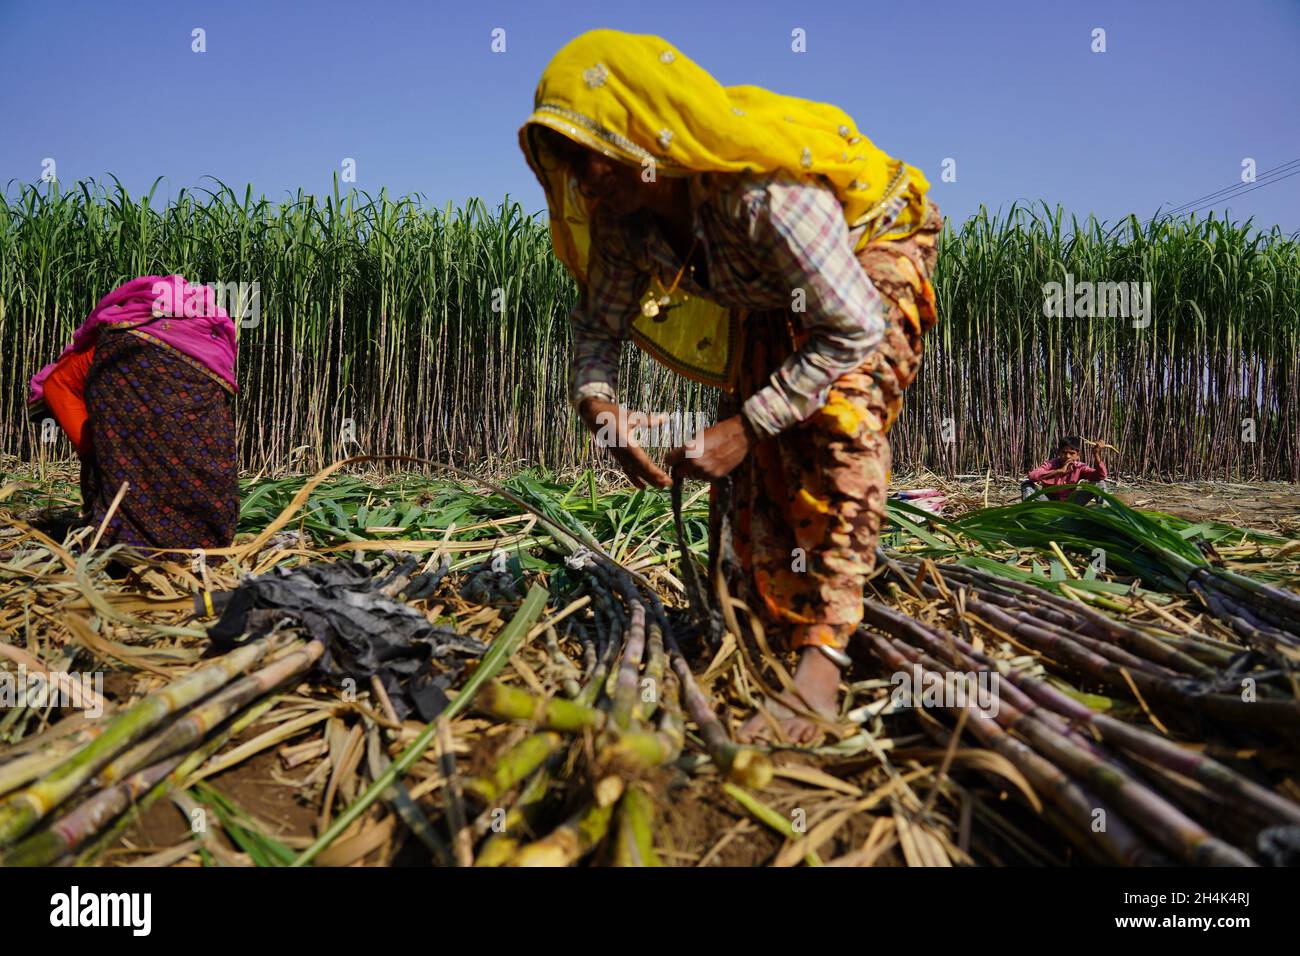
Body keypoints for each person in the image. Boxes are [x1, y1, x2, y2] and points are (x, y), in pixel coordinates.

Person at [520, 30, 940, 743]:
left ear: (643, 135)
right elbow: (597, 326)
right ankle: (757, 616)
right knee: (752, 461)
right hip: (776, 293)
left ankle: (823, 666)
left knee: (834, 417)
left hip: (864, 265)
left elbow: (852, 328)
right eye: (572, 168)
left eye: (594, 158)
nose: (588, 182)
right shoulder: (624, 220)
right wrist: (602, 409)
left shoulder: (765, 194)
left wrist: (747, 427)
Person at [27, 275, 240, 551]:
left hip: (119, 544)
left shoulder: (119, 334)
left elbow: (57, 385)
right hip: (209, 545)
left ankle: (117, 530)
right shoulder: (212, 348)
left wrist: (94, 452)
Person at [1021, 434, 1111, 504]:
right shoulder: (1051, 464)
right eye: (1064, 452)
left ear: (1078, 455)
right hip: (1048, 503)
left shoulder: (1079, 467)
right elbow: (1032, 476)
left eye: (1072, 453)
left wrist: (1096, 455)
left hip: (1071, 504)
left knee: (1100, 484)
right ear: (1059, 452)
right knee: (1027, 484)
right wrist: (1059, 471)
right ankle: (1028, 516)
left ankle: (1107, 517)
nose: (1067, 456)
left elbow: (1101, 476)